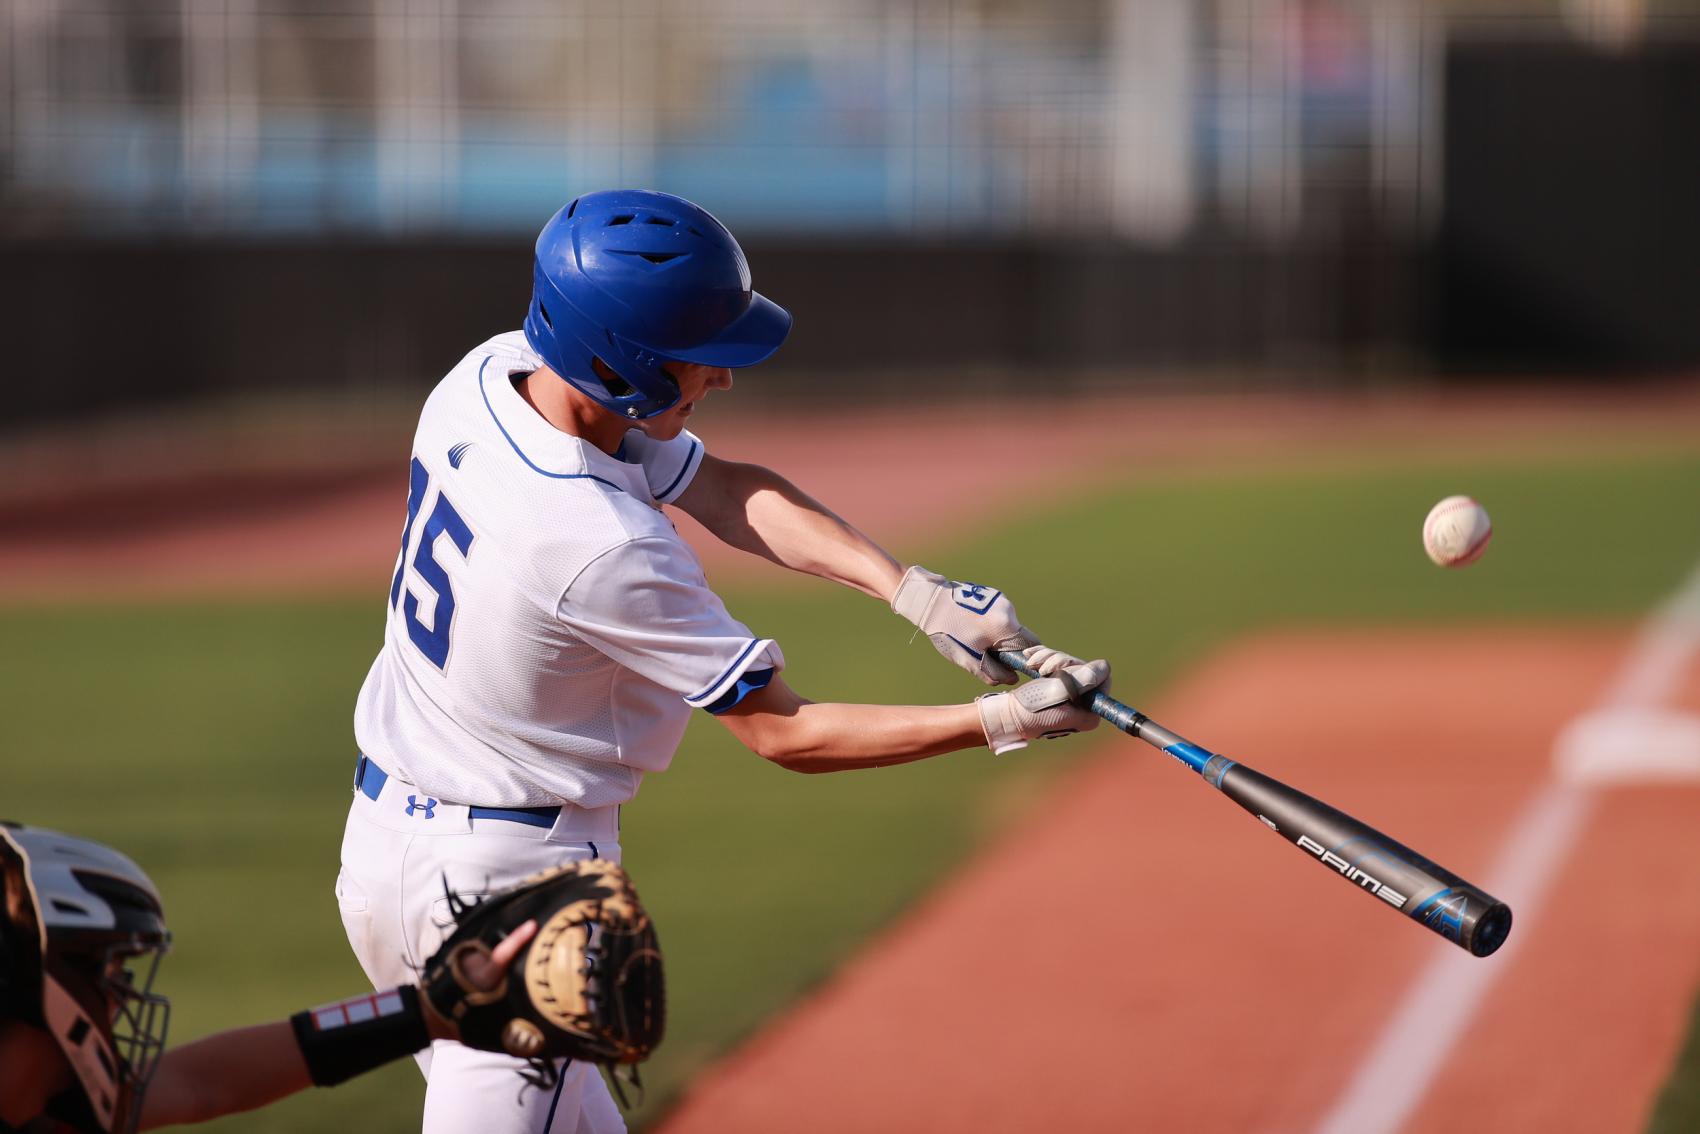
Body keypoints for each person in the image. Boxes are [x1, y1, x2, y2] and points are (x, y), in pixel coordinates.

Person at [339, 187, 1112, 1133]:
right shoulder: (599, 544)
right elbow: (787, 733)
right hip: (506, 897)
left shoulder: (494, 374)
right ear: (621, 363)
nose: (726, 377)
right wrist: (1008, 718)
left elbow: (721, 487)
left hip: (389, 854)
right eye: (701, 357)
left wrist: (912, 591)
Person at [0, 822, 534, 1133]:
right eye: (101, 971)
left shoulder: (42, 1102)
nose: (119, 999)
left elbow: (204, 1083)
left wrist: (425, 1011)